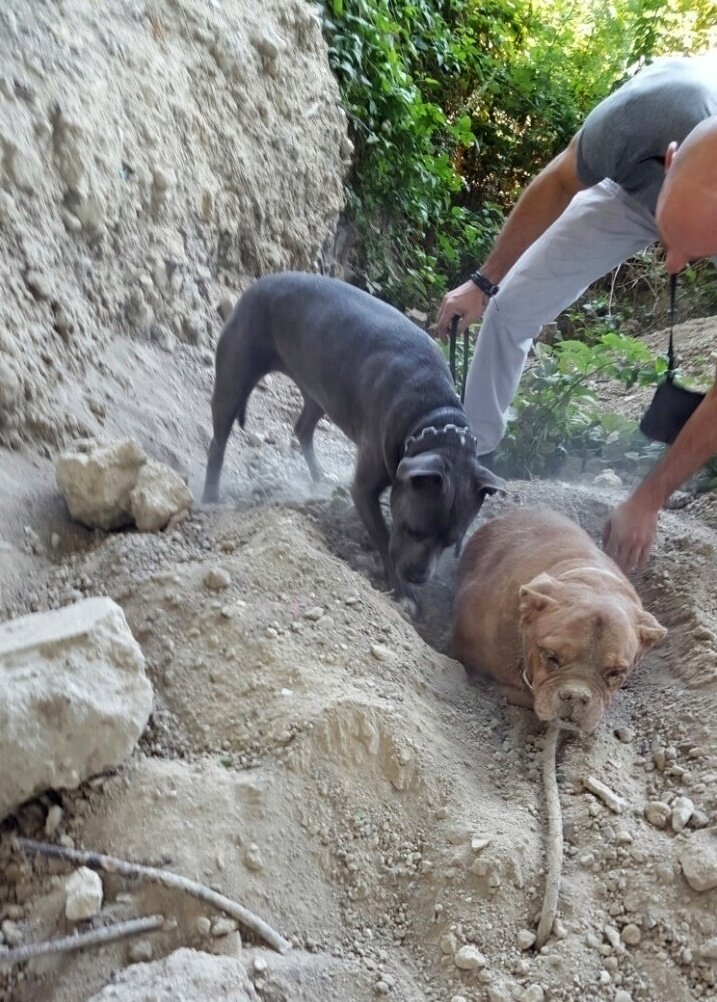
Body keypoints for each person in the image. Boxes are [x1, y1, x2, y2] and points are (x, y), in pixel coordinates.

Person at [436, 53, 717, 575]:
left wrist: (648, 498)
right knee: (509, 308)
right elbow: (563, 179)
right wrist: (483, 282)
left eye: (695, 256)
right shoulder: (646, 116)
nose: (672, 264)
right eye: (671, 242)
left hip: (675, 196)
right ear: (671, 157)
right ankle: (474, 463)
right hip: (636, 190)